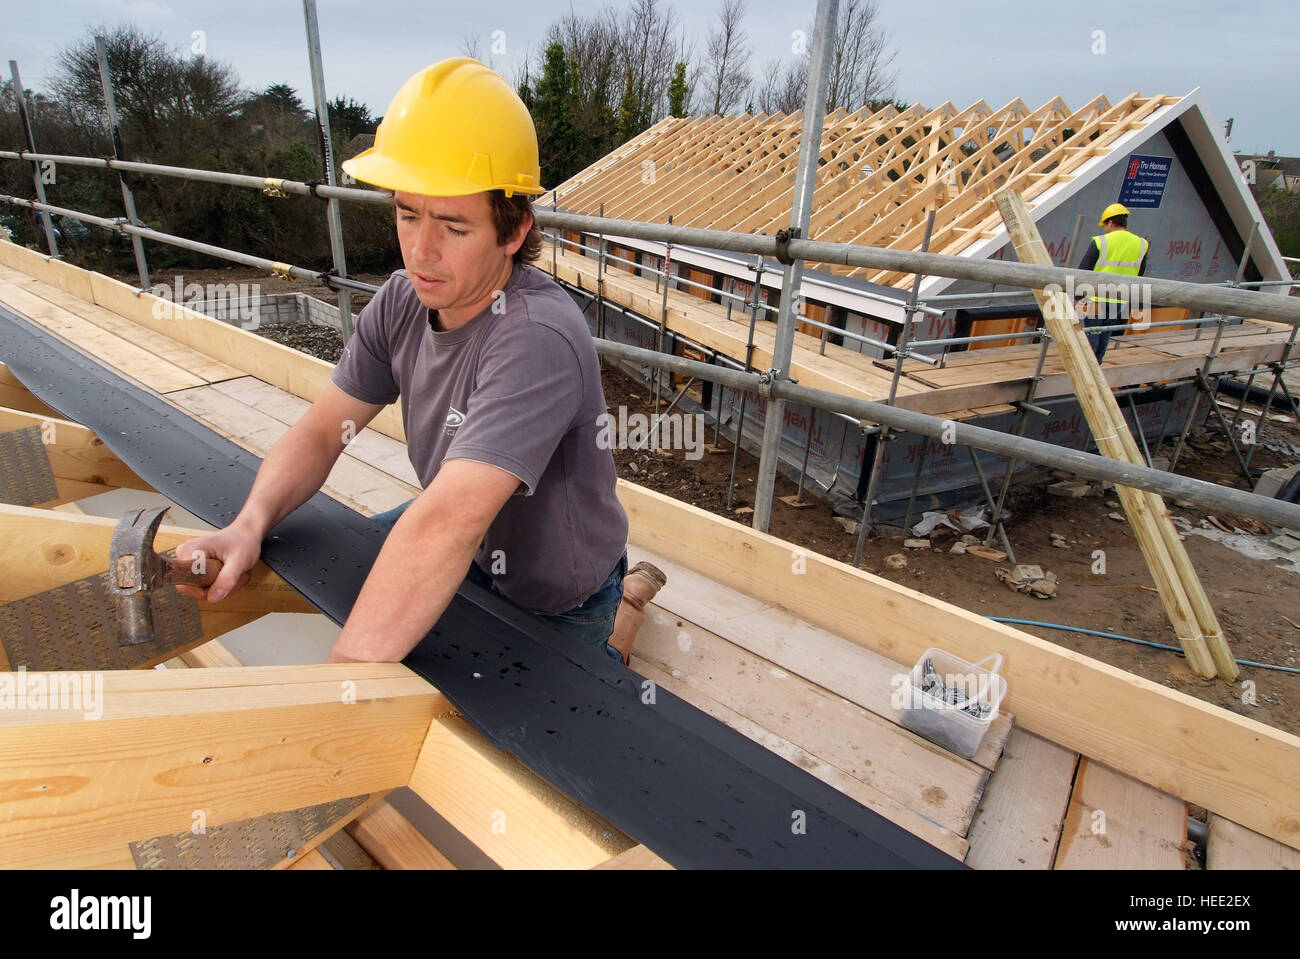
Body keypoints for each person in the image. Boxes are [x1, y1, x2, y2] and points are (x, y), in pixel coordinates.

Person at [177, 58, 653, 665]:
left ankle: (624, 612)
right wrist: (248, 523)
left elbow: (451, 521)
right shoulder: (403, 299)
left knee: (554, 720)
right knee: (341, 569)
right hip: (461, 531)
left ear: (513, 232)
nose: (420, 250)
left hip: (553, 588)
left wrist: (337, 688)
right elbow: (324, 430)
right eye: (407, 214)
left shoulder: (537, 338)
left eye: (453, 226)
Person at [1075, 202, 1149, 363]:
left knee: (1093, 332)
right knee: (1105, 333)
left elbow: (1083, 271)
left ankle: (1089, 365)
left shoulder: (1101, 241)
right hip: (1119, 299)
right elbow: (1140, 273)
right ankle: (1097, 363)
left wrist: (1078, 297)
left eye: (1105, 225)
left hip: (1096, 298)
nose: (1105, 229)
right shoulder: (1141, 244)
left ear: (1110, 222)